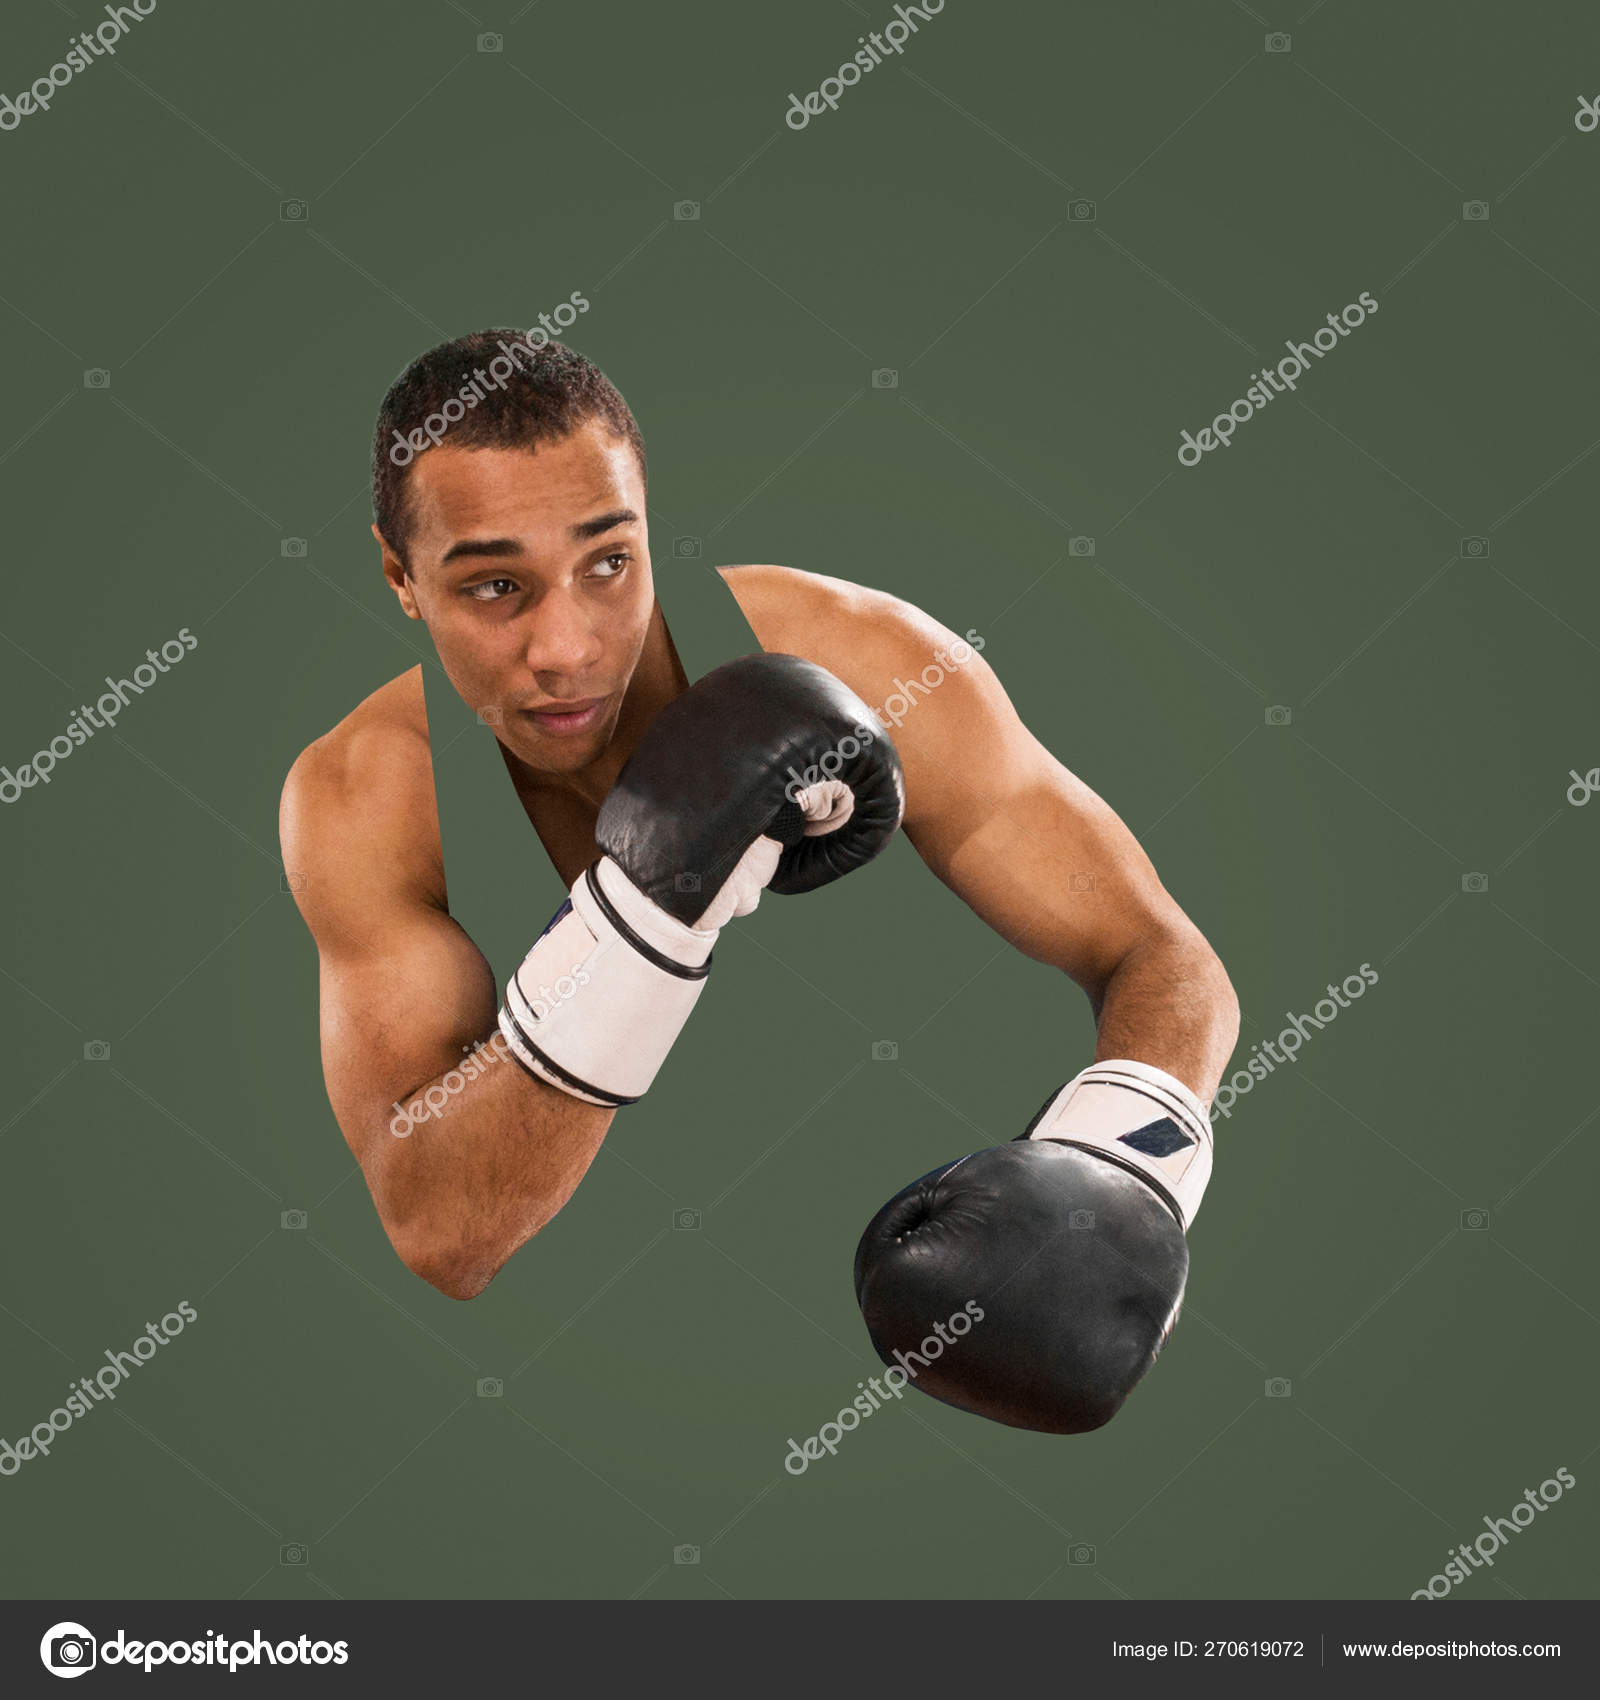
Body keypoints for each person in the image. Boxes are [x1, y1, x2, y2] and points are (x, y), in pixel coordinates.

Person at [279, 331, 1239, 1433]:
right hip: (620, 1414)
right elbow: (441, 1231)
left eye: (608, 561)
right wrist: (647, 906)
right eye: (496, 585)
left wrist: (1116, 1175)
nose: (567, 645)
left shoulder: (867, 663)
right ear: (402, 578)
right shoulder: (368, 797)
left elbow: (1161, 952)